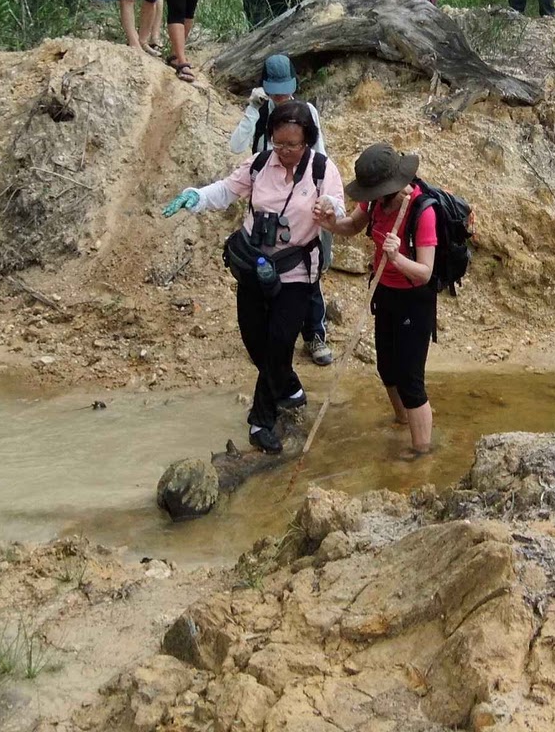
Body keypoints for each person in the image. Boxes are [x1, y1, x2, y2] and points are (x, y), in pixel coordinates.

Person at [162, 101, 346, 453]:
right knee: (254, 341)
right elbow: (226, 190)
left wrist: (328, 208)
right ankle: (289, 387)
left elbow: (336, 205)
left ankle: (261, 420)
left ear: (307, 140)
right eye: (279, 143)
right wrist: (195, 196)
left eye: (292, 144)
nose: (284, 151)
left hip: (295, 272)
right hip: (253, 266)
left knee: (279, 341)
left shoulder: (322, 169)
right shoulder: (260, 163)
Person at [316, 143, 438, 459]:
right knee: (387, 368)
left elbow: (425, 272)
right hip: (384, 292)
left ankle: (422, 452)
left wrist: (397, 258)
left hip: (414, 298)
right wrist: (331, 224)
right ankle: (401, 421)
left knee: (410, 379)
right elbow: (353, 225)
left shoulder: (422, 211)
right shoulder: (376, 202)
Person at [228, 55, 334, 368]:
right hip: (265, 208)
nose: (280, 97)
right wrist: (252, 110)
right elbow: (236, 146)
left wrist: (323, 198)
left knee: (306, 272)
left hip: (301, 204)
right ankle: (272, 336)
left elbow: (320, 155)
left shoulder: (306, 112)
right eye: (275, 92)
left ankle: (314, 334)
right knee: (263, 272)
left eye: (284, 91)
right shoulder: (260, 111)